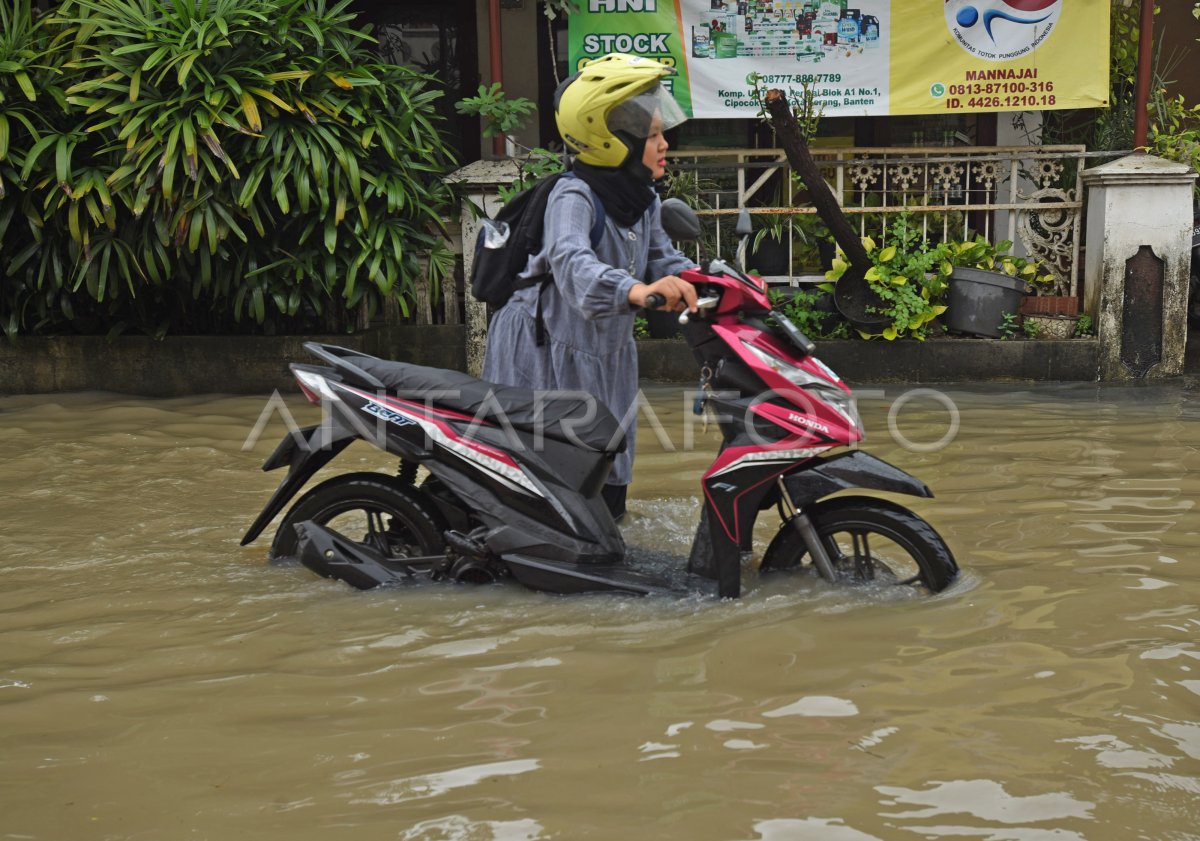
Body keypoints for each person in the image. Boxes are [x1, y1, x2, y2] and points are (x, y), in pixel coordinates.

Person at [481, 53, 699, 522]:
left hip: (604, 348)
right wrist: (636, 292)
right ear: (612, 140)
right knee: (545, 477)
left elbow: (664, 258)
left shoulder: (641, 197)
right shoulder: (573, 195)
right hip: (545, 348)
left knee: (609, 474)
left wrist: (719, 280)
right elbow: (572, 262)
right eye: (654, 135)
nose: (664, 145)